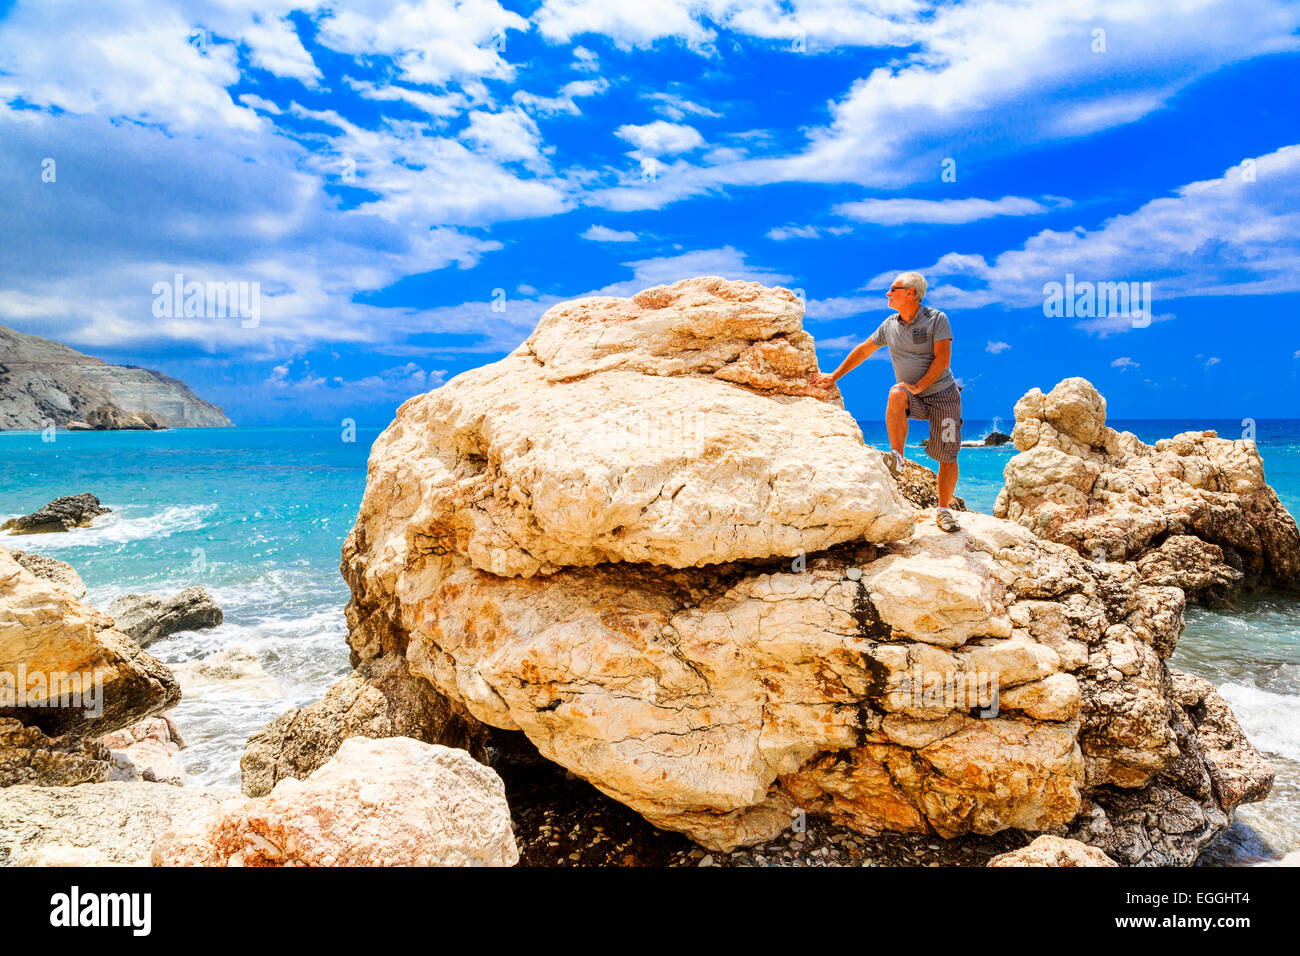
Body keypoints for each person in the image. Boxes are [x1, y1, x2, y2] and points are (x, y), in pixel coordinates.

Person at [810, 271, 962, 532]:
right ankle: (897, 458)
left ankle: (944, 510)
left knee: (948, 454)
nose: (887, 293)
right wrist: (834, 376)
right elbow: (864, 349)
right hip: (911, 394)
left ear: (910, 292)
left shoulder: (937, 319)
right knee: (895, 394)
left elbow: (942, 360)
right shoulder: (889, 325)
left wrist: (918, 386)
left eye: (893, 289)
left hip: (944, 395)